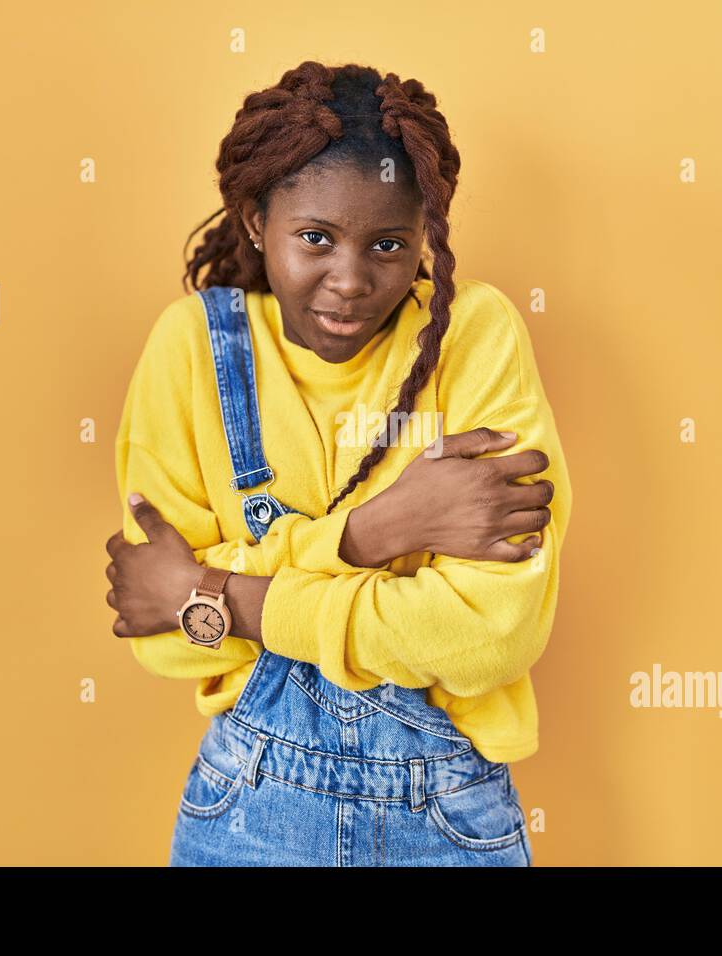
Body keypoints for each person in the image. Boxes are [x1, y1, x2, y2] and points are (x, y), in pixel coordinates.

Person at [104, 60, 572, 866]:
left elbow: (492, 637)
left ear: (425, 235)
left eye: (388, 243)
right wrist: (376, 531)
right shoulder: (191, 351)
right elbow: (164, 637)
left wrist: (220, 594)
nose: (351, 281)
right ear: (255, 220)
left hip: (448, 823)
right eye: (315, 237)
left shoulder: (476, 338)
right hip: (247, 816)